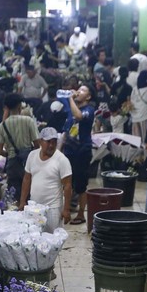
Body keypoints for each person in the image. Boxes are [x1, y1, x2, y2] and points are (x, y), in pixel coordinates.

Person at [19, 127, 72, 218]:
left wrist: (66, 209)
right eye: (48, 142)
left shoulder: (62, 160)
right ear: (40, 142)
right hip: (34, 207)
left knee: (51, 232)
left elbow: (67, 185)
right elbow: (27, 179)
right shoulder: (32, 156)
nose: (51, 145)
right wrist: (22, 201)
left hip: (53, 208)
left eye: (54, 142)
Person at [61, 86, 96, 225]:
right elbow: (66, 131)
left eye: (83, 91)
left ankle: (81, 214)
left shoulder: (89, 110)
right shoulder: (71, 109)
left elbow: (79, 116)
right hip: (69, 150)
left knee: (81, 184)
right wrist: (58, 150)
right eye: (78, 90)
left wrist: (70, 98)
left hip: (82, 151)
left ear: (88, 97)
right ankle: (67, 209)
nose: (78, 92)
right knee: (67, 182)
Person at [0, 93, 40, 198]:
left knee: (14, 196)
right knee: (30, 195)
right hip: (28, 163)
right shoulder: (29, 121)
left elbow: (0, 151)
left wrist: (10, 154)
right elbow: (37, 145)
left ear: (6, 107)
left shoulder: (2, 126)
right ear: (20, 106)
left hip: (12, 165)